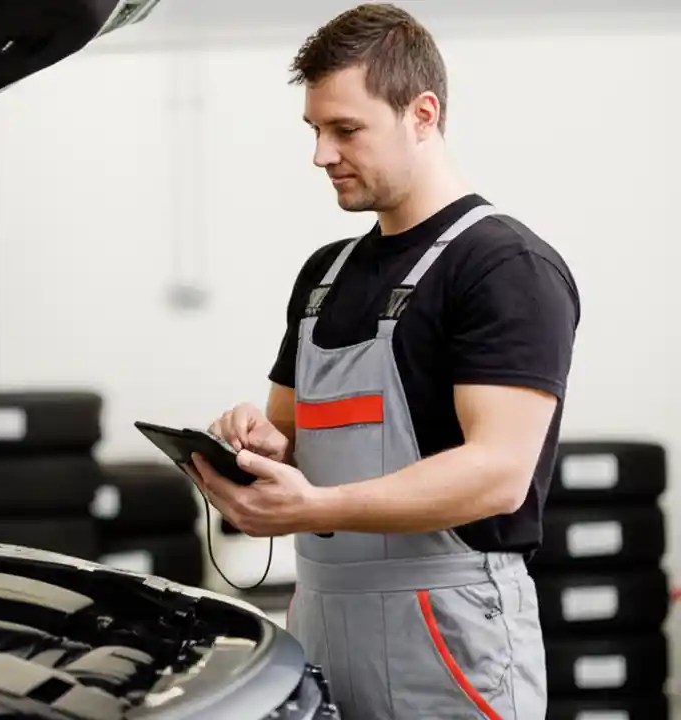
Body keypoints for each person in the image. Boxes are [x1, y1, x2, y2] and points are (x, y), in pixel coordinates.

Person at [184, 4, 580, 719]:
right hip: (323, 623)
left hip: (451, 631)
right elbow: (294, 439)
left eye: (346, 129)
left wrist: (316, 507)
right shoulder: (323, 276)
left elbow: (498, 474)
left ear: (422, 114)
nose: (321, 154)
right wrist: (261, 448)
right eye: (314, 129)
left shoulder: (501, 267)